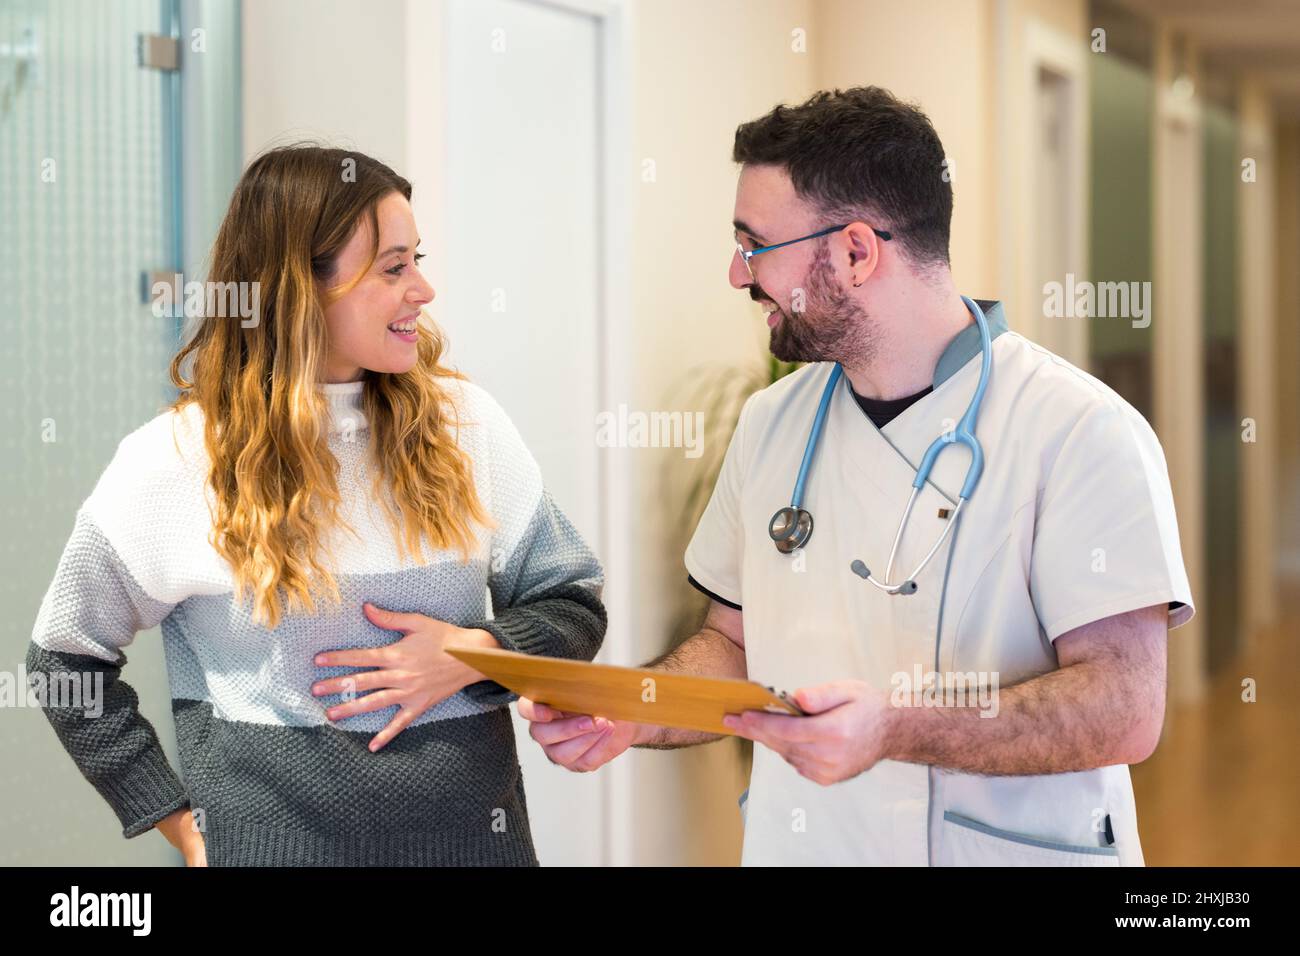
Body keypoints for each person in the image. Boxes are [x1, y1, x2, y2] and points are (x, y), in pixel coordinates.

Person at [518, 87, 1195, 866]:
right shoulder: (772, 423)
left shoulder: (1079, 433)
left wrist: (895, 728)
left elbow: (1124, 709)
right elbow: (733, 645)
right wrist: (637, 709)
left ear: (856, 251)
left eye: (754, 245)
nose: (739, 275)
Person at [25, 144, 605, 866]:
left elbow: (572, 601)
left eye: (415, 260)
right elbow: (62, 662)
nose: (422, 290)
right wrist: (181, 826)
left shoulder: (468, 425)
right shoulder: (174, 460)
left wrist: (470, 654)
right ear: (302, 286)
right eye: (394, 268)